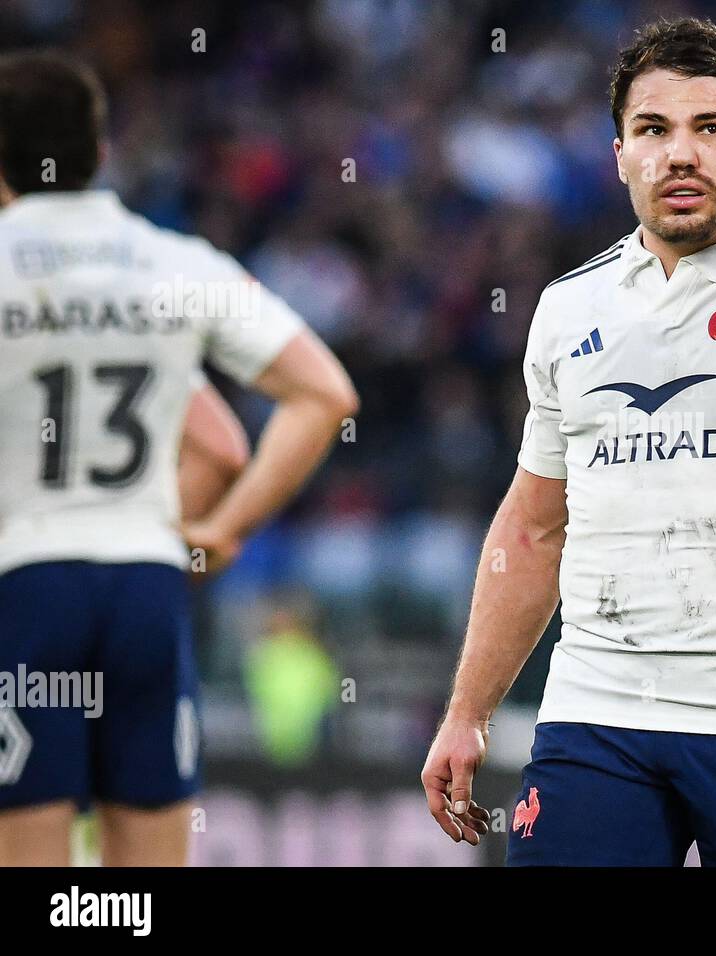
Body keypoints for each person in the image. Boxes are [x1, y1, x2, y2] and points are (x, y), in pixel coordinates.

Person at [421, 17, 716, 866]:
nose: (679, 154)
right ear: (618, 155)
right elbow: (533, 529)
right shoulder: (571, 307)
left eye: (711, 129)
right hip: (598, 716)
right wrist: (468, 711)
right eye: (653, 130)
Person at [0, 50, 359, 866]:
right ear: (97, 152)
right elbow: (324, 396)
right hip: (145, 584)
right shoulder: (176, 262)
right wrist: (226, 528)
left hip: (26, 583)